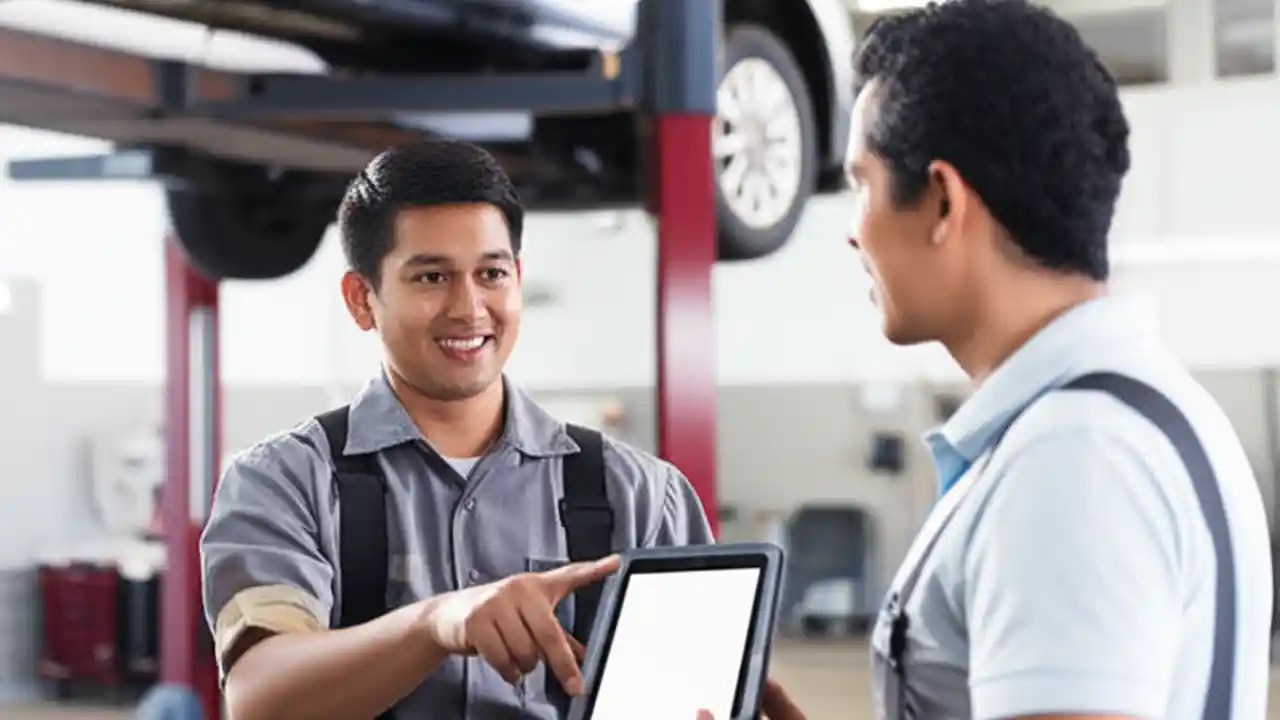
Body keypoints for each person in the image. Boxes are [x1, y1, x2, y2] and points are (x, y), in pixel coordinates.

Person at [707, 1, 1274, 718]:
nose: (853, 233)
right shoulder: (1139, 412)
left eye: (861, 185)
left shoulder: (1072, 457)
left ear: (942, 200)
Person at [200, 139, 715, 720]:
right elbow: (261, 698)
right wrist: (436, 624)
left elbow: (695, 691)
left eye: (491, 273)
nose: (469, 308)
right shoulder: (284, 483)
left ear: (517, 279)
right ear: (361, 299)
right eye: (431, 278)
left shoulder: (644, 496)